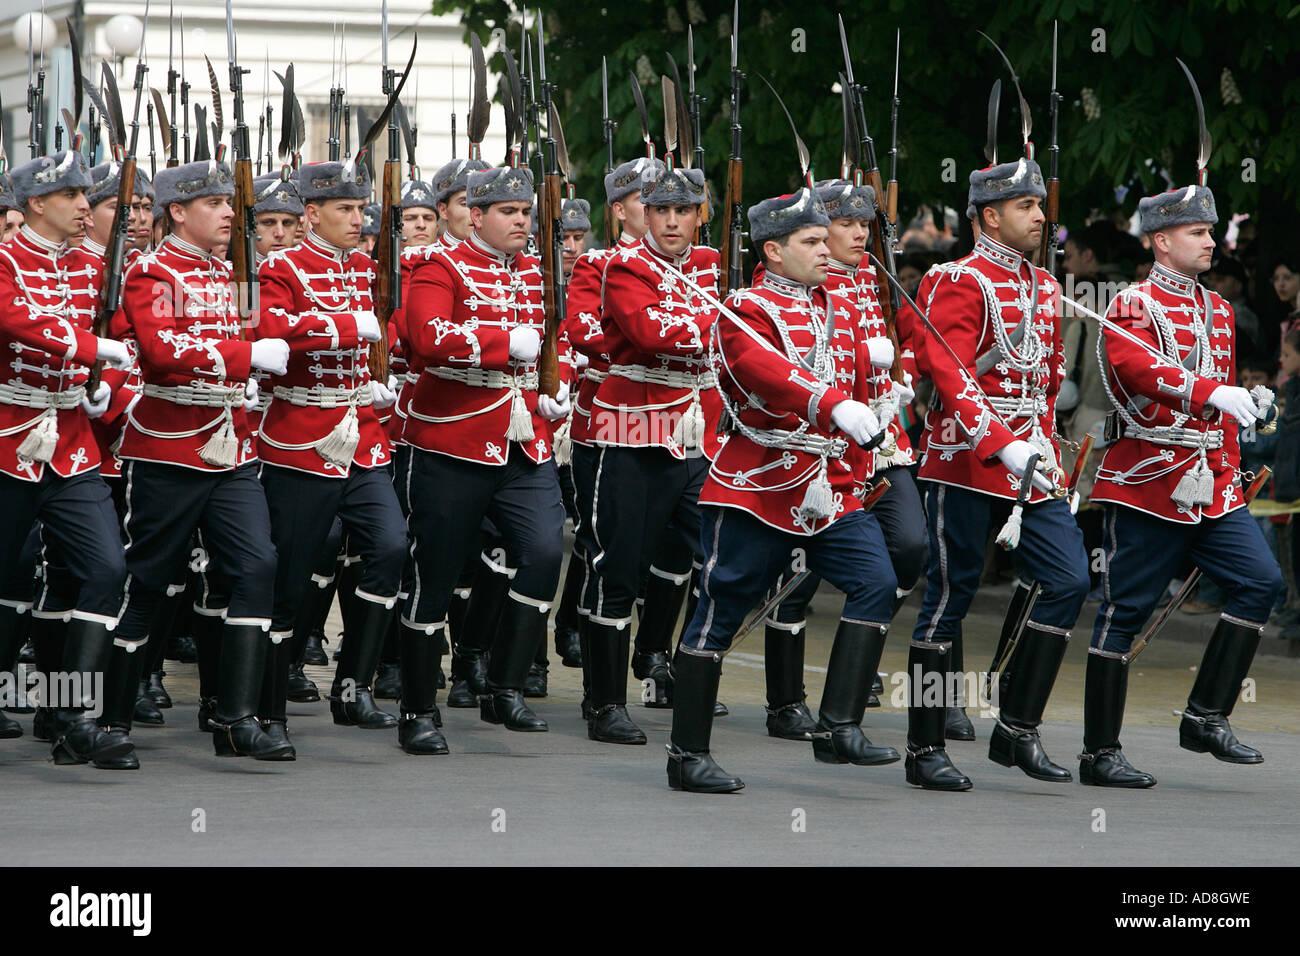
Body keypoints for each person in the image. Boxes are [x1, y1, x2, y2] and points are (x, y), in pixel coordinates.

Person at [666, 183, 897, 792]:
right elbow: (767, 374)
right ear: (771, 251)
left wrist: (864, 436)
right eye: (812, 241)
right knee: (720, 611)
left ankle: (838, 726)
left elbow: (856, 392)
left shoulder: (840, 307)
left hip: (828, 487)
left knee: (877, 582)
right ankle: (688, 754)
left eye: (827, 239)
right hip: (758, 485)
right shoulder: (743, 309)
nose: (827, 251)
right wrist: (831, 405)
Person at [1085, 183, 1283, 785]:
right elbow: (1136, 368)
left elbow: (1216, 404)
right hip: (1148, 480)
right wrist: (1208, 391)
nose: (1209, 242)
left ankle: (1205, 716)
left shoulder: (1217, 309)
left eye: (1210, 231)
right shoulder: (1131, 304)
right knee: (1125, 613)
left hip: (1211, 484)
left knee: (1260, 581)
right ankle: (1099, 752)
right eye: (1197, 233)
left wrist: (1244, 411)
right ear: (1161, 241)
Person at [908, 157, 1089, 791]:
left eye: (1040, 205)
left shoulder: (1043, 284)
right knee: (948, 599)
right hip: (965, 459)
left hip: (1032, 464)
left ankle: (1016, 727)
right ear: (990, 216)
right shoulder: (953, 279)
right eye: (1026, 207)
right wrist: (997, 441)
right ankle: (924, 745)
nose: (1042, 217)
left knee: (1069, 579)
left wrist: (1037, 445)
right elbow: (951, 372)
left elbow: (1041, 382)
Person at [114, 159, 293, 761]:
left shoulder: (233, 273)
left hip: (231, 445)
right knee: (147, 579)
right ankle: (109, 721)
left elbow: (260, 332)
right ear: (178, 212)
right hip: (168, 445)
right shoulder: (151, 270)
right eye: (214, 204)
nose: (227, 214)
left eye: (228, 203)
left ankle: (236, 716)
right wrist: (245, 359)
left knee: (257, 564)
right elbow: (165, 352)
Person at [400, 164, 570, 734]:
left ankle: (504, 684)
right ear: (476, 216)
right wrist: (499, 345)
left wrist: (557, 384)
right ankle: (419, 709)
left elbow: (559, 338)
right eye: (508, 212)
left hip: (524, 442)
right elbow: (425, 337)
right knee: (438, 572)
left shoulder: (538, 272)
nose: (521, 221)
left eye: (524, 212)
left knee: (545, 554)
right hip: (454, 439)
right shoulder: (438, 266)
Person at [254, 159, 408, 754]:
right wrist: (345, 326)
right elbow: (271, 331)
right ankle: (268, 707)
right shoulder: (281, 267)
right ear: (311, 214)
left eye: (359, 207)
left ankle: (352, 685)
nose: (357, 218)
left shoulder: (366, 267)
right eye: (344, 209)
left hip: (362, 431)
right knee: (291, 577)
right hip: (301, 434)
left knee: (391, 546)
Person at [0, 150, 131, 765]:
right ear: (35, 205)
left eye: (87, 195)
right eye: (73, 196)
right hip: (9, 435)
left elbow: (122, 334)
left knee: (105, 567)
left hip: (72, 438)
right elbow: (16, 320)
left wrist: (99, 381)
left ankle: (76, 713)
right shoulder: (4, 260)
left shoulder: (92, 264)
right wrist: (89, 346)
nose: (86, 206)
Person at [586, 164, 721, 745]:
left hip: (696, 433)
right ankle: (604, 702)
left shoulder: (713, 266)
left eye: (682, 211)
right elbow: (649, 333)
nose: (669, 220)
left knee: (712, 557)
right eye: (659, 210)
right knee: (619, 569)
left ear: (698, 216)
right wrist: (713, 323)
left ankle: (677, 671)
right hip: (635, 428)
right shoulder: (624, 267)